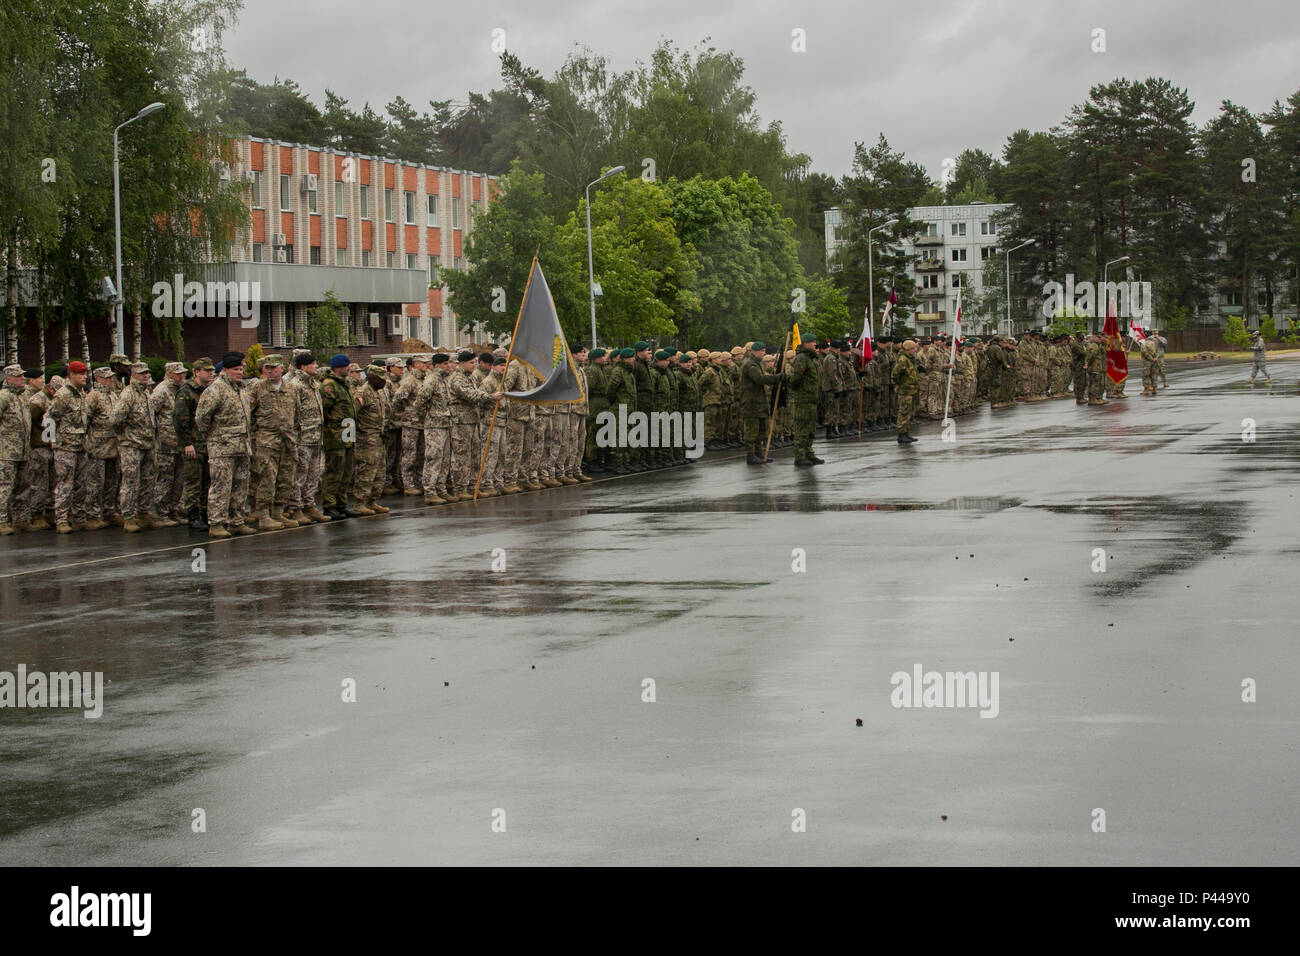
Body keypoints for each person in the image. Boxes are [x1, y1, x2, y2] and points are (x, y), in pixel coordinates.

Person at [194, 351, 256, 538]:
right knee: (221, 486)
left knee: (241, 485)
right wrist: (215, 437)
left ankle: (237, 520)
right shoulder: (216, 390)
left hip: (242, 446)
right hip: (222, 447)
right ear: (226, 370)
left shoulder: (240, 389)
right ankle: (217, 522)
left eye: (241, 369)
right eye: (236, 369)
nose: (240, 372)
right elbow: (202, 418)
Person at [245, 355, 299, 530]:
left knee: (285, 478)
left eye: (273, 367)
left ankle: (277, 512)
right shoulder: (257, 388)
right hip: (266, 440)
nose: (269, 371)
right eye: (266, 368)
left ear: (281, 368)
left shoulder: (291, 388)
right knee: (267, 478)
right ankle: (263, 515)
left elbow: (296, 413)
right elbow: (247, 413)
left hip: (287, 440)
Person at [109, 361, 162, 532]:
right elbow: (115, 419)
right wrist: (127, 434)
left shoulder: (146, 393)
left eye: (147, 373)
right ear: (133, 375)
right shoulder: (128, 394)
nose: (146, 376)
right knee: (130, 481)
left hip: (147, 444)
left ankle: (143, 512)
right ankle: (129, 516)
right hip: (131, 445)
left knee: (147, 480)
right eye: (142, 373)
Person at [49, 361, 90, 533]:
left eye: (85, 374)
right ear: (71, 375)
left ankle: (79, 517)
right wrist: (53, 442)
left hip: (80, 445)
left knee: (81, 484)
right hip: (65, 447)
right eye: (80, 374)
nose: (84, 377)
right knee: (65, 484)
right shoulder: (63, 395)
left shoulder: (80, 394)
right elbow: (50, 418)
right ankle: (62, 520)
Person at [174, 357, 215, 530]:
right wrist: (186, 443)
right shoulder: (187, 391)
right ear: (197, 372)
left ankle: (205, 513)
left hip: (207, 442)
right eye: (207, 371)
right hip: (193, 443)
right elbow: (180, 419)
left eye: (212, 370)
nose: (211, 373)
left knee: (207, 479)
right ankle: (193, 515)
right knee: (193, 480)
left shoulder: (209, 390)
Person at [320, 354, 359, 520]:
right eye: (346, 365)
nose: (349, 368)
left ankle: (341, 504)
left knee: (346, 472)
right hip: (335, 434)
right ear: (338, 367)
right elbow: (325, 410)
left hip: (348, 431)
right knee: (334, 471)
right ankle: (330, 505)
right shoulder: (329, 386)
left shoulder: (344, 384)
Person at [82, 366, 120, 530]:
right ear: (98, 379)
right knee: (95, 483)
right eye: (107, 378)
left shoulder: (112, 395)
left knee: (112, 481)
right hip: (97, 447)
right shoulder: (93, 396)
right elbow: (85, 420)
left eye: (111, 377)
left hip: (113, 446)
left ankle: (109, 511)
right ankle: (92, 515)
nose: (110, 380)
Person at [351, 365, 390, 514]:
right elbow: (352, 415)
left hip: (379, 438)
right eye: (381, 379)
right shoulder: (362, 393)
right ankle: (360, 503)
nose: (384, 382)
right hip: (366, 439)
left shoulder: (378, 392)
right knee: (366, 472)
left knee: (380, 472)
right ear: (372, 378)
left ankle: (372, 501)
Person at [151, 362, 186, 523]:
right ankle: (161, 512)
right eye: (178, 373)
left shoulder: (181, 389)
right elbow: (151, 415)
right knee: (165, 478)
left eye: (183, 373)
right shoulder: (161, 391)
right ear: (170, 374)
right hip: (165, 443)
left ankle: (174, 509)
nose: (182, 376)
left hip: (179, 442)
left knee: (179, 479)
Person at [739, 342, 784, 464]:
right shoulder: (750, 364)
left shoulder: (757, 363)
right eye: (761, 351)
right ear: (753, 351)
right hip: (751, 402)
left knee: (760, 431)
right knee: (751, 431)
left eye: (764, 350)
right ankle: (750, 455)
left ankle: (758, 454)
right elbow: (759, 379)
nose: (764, 353)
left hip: (758, 402)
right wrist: (777, 378)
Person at [0, 365, 32, 535]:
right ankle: (1, 520)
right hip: (7, 451)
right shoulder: (3, 397)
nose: (22, 378)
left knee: (23, 486)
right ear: (9, 378)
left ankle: (21, 519)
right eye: (18, 376)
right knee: (5, 486)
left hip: (23, 450)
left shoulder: (23, 396)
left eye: (22, 375)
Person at [785, 342, 823, 466]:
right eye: (813, 343)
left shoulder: (810, 358)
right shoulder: (802, 358)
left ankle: (809, 453)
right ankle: (800, 456)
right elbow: (796, 378)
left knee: (811, 429)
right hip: (804, 399)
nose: (815, 345)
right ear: (806, 344)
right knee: (802, 428)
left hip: (811, 399)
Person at [891, 339, 920, 443]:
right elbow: (895, 374)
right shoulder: (903, 359)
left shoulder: (910, 359)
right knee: (903, 412)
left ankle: (906, 433)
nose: (914, 351)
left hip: (911, 390)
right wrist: (901, 383)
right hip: (905, 390)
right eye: (912, 349)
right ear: (908, 349)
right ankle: (901, 434)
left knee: (909, 413)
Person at [1084, 333, 1107, 406]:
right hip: (1094, 367)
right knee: (1094, 383)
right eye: (1098, 338)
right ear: (1094, 337)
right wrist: (1088, 364)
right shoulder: (1093, 345)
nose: (1099, 339)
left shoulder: (1097, 345)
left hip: (1097, 367)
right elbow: (1091, 356)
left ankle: (1096, 398)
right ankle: (1093, 399)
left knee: (1097, 383)